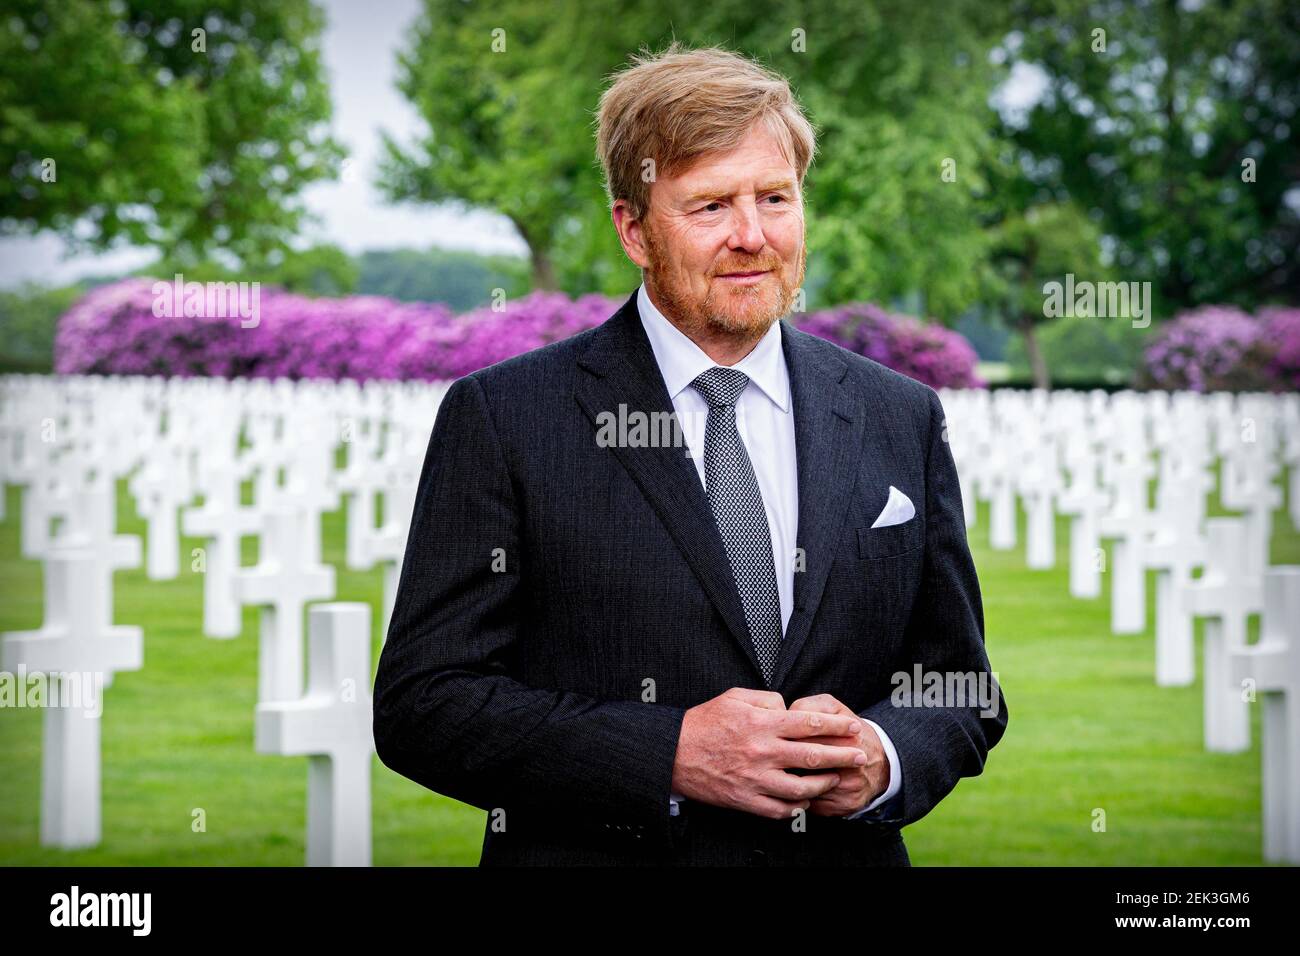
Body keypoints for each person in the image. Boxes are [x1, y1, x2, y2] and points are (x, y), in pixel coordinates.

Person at [373, 42, 1007, 866]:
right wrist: (667, 751)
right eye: (710, 207)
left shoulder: (900, 415)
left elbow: (961, 687)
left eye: (775, 198)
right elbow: (426, 704)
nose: (752, 235)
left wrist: (883, 757)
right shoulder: (504, 418)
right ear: (633, 230)